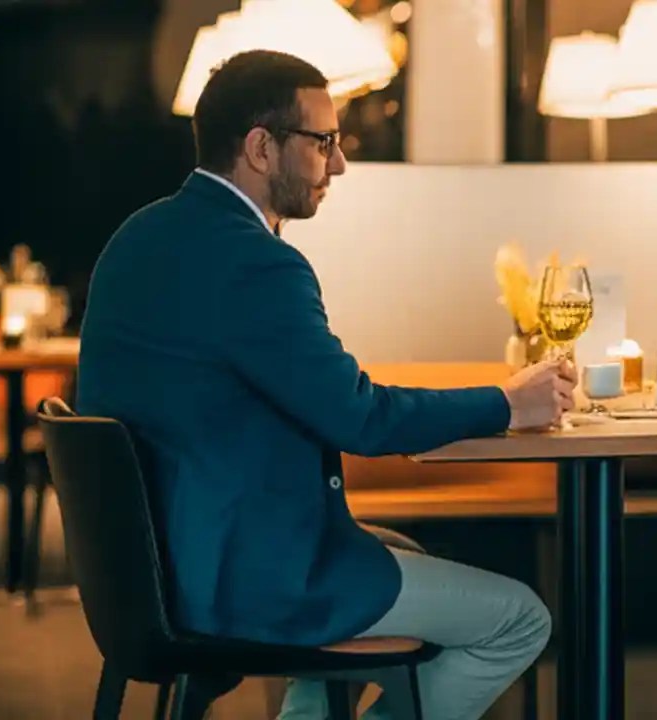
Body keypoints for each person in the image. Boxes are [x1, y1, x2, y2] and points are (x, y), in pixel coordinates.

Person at [77, 50, 572, 719]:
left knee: (403, 550)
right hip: (245, 579)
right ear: (260, 147)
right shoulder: (257, 264)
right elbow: (359, 419)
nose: (338, 164)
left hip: (158, 571)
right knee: (520, 619)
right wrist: (508, 403)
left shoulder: (138, 237)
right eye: (324, 143)